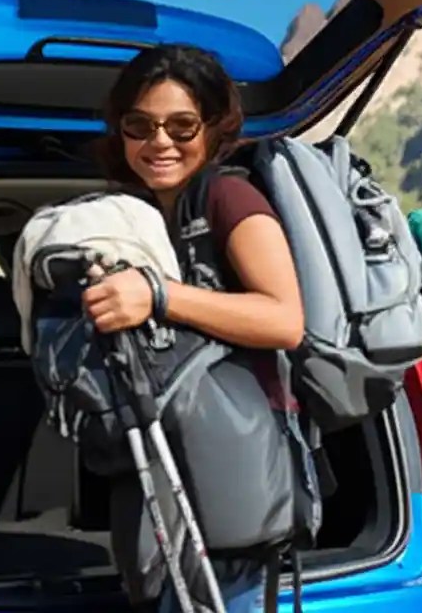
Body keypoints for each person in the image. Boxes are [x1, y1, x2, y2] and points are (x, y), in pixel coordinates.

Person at [86, 44, 306, 612]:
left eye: (182, 125)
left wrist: (157, 295)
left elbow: (285, 319)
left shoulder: (228, 195)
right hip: (173, 456)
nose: (160, 141)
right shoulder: (141, 214)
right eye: (140, 125)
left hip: (235, 458)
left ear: (212, 129)